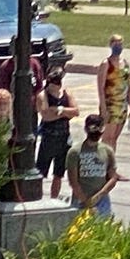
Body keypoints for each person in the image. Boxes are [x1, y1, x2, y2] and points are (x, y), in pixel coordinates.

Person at [33, 65, 78, 200]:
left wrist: (59, 110)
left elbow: (75, 111)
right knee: (41, 171)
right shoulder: (43, 95)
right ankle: (38, 197)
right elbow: (46, 115)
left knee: (59, 173)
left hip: (64, 137)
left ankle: (54, 198)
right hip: (48, 138)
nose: (57, 83)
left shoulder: (66, 93)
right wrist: (65, 113)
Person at [65, 114, 118, 217]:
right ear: (86, 129)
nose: (96, 132)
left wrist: (99, 195)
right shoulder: (75, 152)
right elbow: (73, 181)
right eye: (93, 128)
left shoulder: (107, 151)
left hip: (102, 200)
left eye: (99, 128)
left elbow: (113, 178)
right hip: (80, 199)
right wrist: (86, 202)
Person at [96, 34, 130, 151]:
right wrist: (103, 108)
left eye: (120, 43)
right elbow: (101, 87)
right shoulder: (106, 64)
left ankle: (111, 160)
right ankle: (103, 159)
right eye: (115, 43)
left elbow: (128, 86)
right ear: (110, 45)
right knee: (107, 138)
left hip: (122, 106)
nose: (118, 46)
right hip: (110, 105)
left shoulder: (125, 63)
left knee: (114, 138)